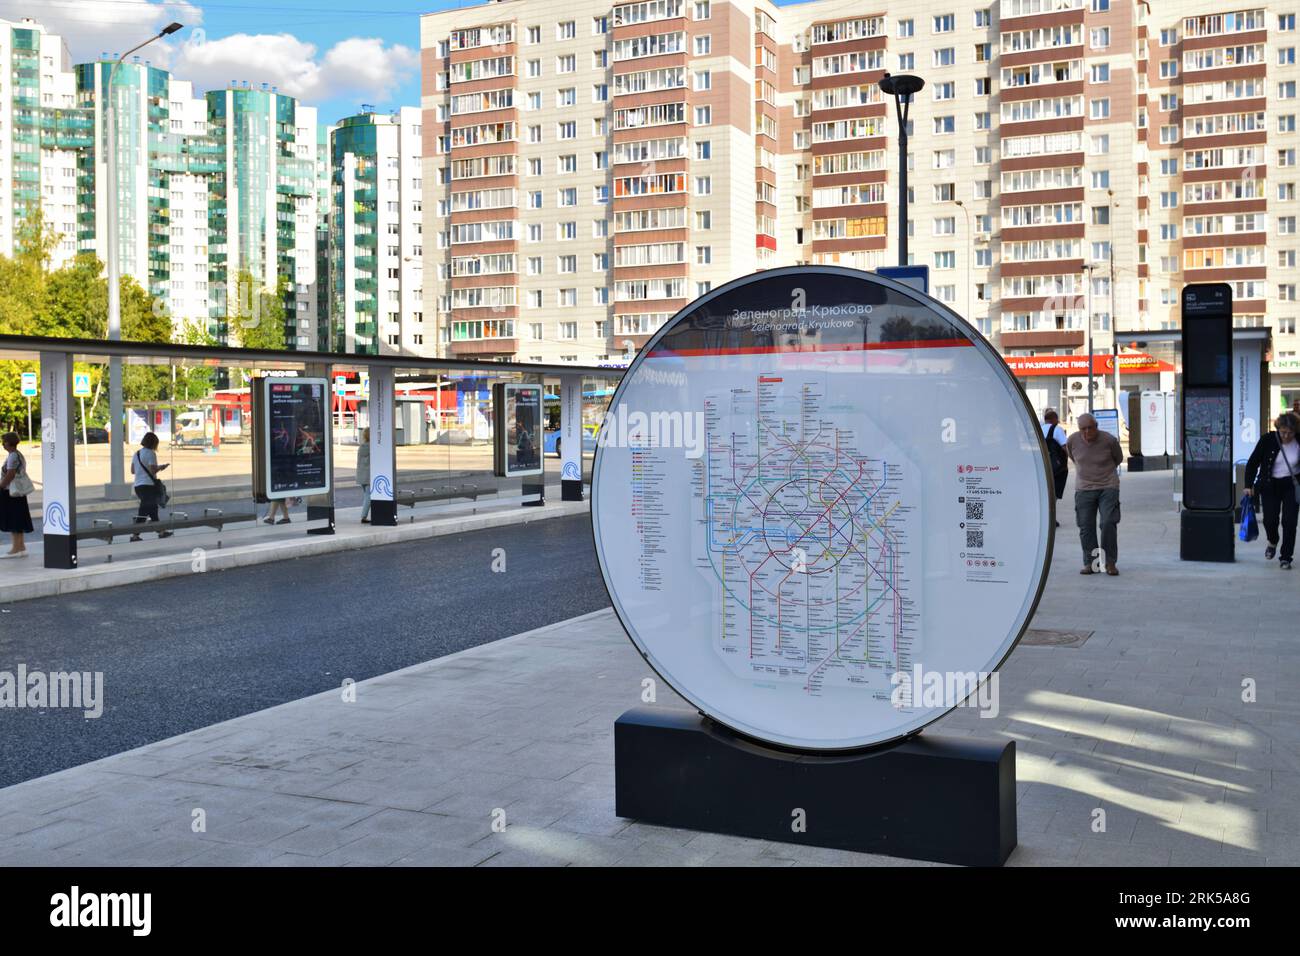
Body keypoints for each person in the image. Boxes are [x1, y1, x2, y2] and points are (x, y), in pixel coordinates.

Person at [1066, 412, 1124, 576]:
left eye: (1090, 428)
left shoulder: (1109, 440)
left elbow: (1118, 458)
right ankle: (1091, 563)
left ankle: (1110, 563)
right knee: (1086, 527)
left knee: (1107, 523)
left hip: (1108, 485)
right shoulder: (1072, 440)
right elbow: (1073, 457)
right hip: (1084, 488)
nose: (1086, 432)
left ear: (1096, 427)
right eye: (1083, 429)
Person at [1244, 412, 1300, 570]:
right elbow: (1252, 463)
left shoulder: (1298, 441)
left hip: (1291, 485)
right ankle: (1273, 541)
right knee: (1270, 520)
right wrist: (1248, 485)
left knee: (1289, 522)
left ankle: (1286, 557)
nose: (1287, 436)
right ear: (1278, 428)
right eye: (1283, 432)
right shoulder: (1267, 440)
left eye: (1290, 432)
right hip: (1270, 485)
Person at [130, 431, 173, 542]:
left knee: (152, 509)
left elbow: (133, 471)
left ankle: (161, 532)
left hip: (138, 486)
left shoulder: (137, 453)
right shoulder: (151, 453)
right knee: (144, 511)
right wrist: (162, 467)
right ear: (154, 443)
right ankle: (135, 535)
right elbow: (153, 469)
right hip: (148, 486)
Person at [0, 432, 33, 558]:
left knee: (13, 519)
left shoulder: (13, 456)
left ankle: (15, 548)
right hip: (18, 492)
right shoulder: (18, 455)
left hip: (11, 492)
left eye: (4, 442)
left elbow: (10, 474)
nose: (3, 444)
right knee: (18, 519)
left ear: (9, 443)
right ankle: (21, 547)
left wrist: (1, 486)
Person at [1041, 409, 1069, 526]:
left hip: (1043, 466)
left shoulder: (1039, 429)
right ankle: (1050, 518)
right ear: (1054, 419)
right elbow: (1064, 447)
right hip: (1057, 468)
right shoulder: (1057, 429)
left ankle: (1045, 517)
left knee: (1045, 492)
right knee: (1054, 493)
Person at [357, 427, 372, 524]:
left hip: (361, 475)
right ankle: (363, 516)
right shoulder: (372, 447)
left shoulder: (361, 446)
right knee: (369, 496)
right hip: (368, 476)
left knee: (366, 495)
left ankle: (365, 515)